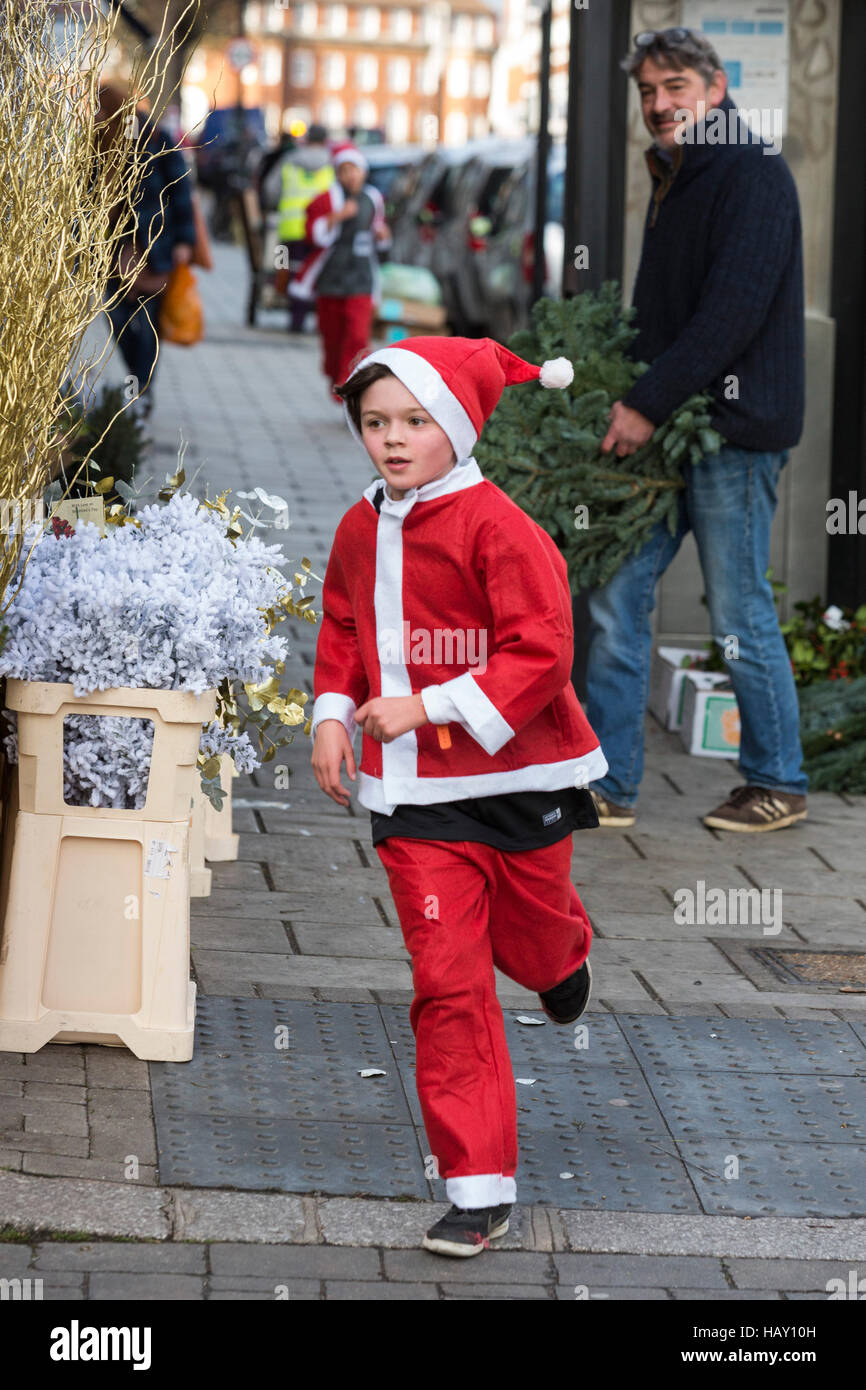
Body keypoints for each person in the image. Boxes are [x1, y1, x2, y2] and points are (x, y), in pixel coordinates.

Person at [310, 335, 607, 1256]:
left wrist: (427, 705)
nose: (393, 441)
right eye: (375, 423)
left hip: (519, 780)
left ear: (459, 425)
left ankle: (562, 962)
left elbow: (543, 650)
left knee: (530, 933)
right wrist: (330, 713)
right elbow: (343, 622)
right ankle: (477, 1190)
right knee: (447, 982)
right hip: (417, 803)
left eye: (415, 421)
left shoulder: (499, 527)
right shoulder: (360, 527)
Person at [585, 27, 808, 833]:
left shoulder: (752, 173)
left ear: (715, 88)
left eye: (673, 86)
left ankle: (778, 779)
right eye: (647, 92)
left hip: (732, 431)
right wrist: (635, 390)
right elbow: (663, 314)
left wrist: (645, 401)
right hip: (672, 425)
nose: (658, 104)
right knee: (616, 593)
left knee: (738, 609)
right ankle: (607, 785)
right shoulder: (677, 173)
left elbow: (731, 314)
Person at [97, 85, 195, 419]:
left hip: (155, 247)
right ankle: (137, 384)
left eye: (104, 108)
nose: (99, 114)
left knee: (149, 322)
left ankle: (142, 391)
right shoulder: (98, 139)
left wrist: (184, 241)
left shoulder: (157, 138)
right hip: (112, 249)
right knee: (117, 319)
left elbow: (181, 192)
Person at [292, 146, 391, 402]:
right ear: (337, 173)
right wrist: (337, 217)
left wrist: (382, 236)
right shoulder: (327, 198)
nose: (350, 176)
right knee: (333, 337)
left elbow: (378, 229)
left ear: (363, 171)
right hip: (331, 277)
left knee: (358, 335)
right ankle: (335, 375)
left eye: (354, 169)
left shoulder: (373, 198)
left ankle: (350, 387)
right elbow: (312, 234)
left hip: (361, 277)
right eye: (344, 170)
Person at [263, 123, 334, 333]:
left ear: (307, 139)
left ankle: (280, 297)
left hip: (288, 231)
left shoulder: (289, 161)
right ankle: (314, 315)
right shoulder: (332, 165)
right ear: (324, 141)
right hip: (319, 233)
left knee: (284, 264)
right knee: (316, 270)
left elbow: (270, 190)